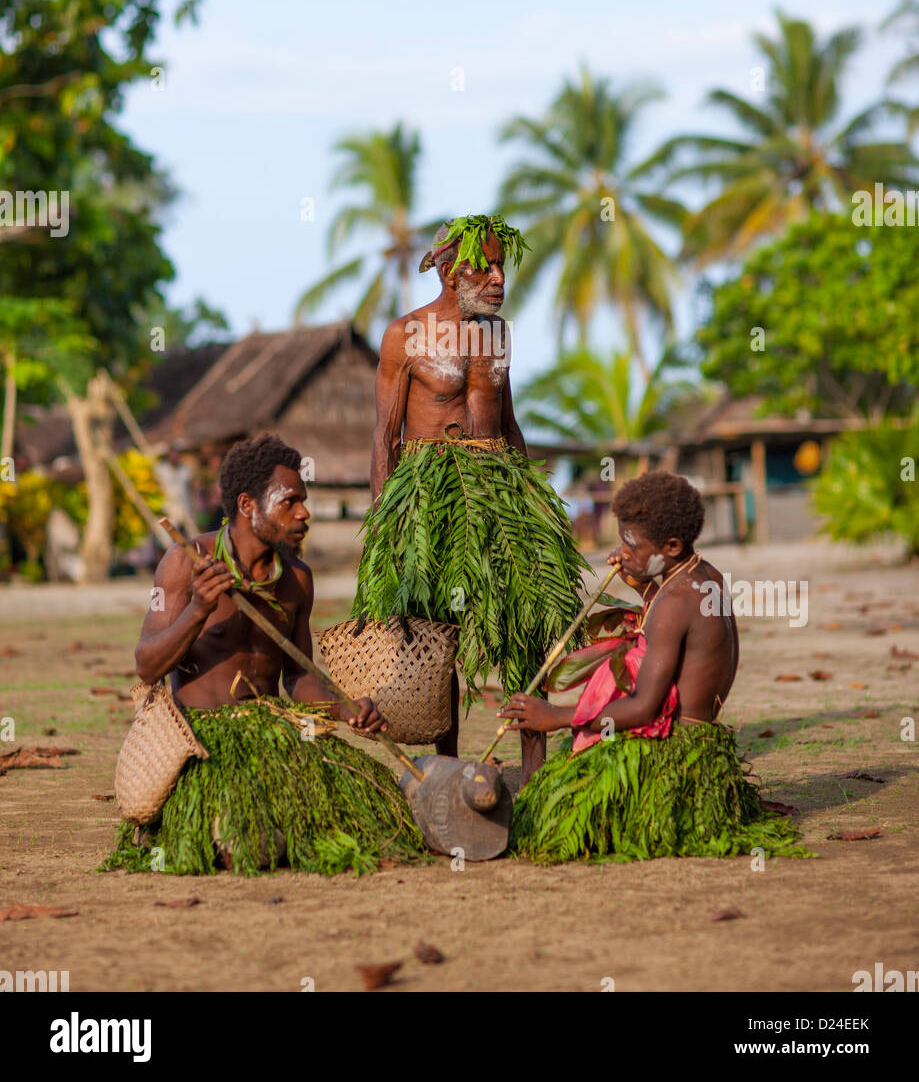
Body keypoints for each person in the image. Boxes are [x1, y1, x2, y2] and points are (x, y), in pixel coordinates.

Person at [103, 433, 424, 876]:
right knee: (247, 847)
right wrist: (198, 609)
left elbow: (298, 677)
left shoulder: (296, 579)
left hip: (272, 728)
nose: (304, 512)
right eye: (289, 501)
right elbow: (146, 665)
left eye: (304, 501)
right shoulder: (184, 561)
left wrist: (346, 707)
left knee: (369, 812)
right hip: (201, 740)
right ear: (247, 504)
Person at [350, 214, 586, 782]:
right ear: (450, 272)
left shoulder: (499, 334)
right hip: (430, 490)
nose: (499, 278)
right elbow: (385, 434)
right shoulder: (404, 335)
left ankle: (535, 776)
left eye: (503, 265)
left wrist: (535, 500)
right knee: (437, 636)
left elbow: (508, 420)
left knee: (527, 624)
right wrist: (385, 518)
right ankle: (447, 773)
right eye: (484, 266)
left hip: (500, 487)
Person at [504, 471, 809, 862]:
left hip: (673, 755)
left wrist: (558, 715)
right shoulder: (702, 575)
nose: (623, 552)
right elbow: (675, 627)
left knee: (541, 822)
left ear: (672, 545)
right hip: (699, 741)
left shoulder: (675, 601)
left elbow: (645, 707)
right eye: (622, 540)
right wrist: (641, 584)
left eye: (633, 545)